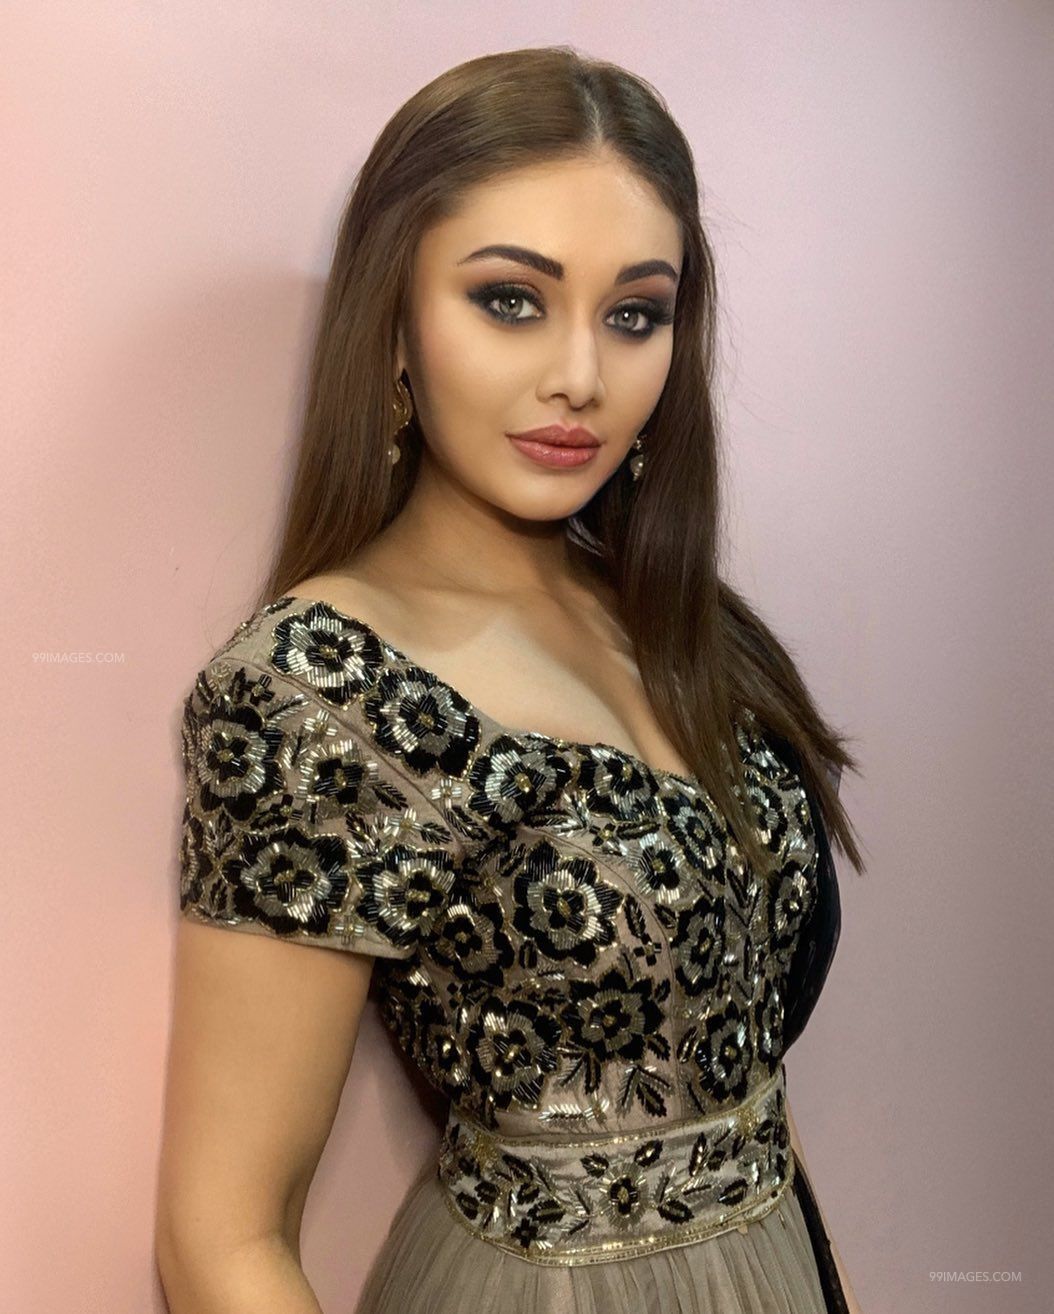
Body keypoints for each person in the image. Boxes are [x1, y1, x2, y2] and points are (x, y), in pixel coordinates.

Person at [155, 45, 866, 1314]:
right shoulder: (317, 692)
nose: (581, 375)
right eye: (510, 300)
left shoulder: (678, 623)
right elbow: (222, 1237)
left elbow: (752, 1075)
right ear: (395, 323)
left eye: (633, 314)